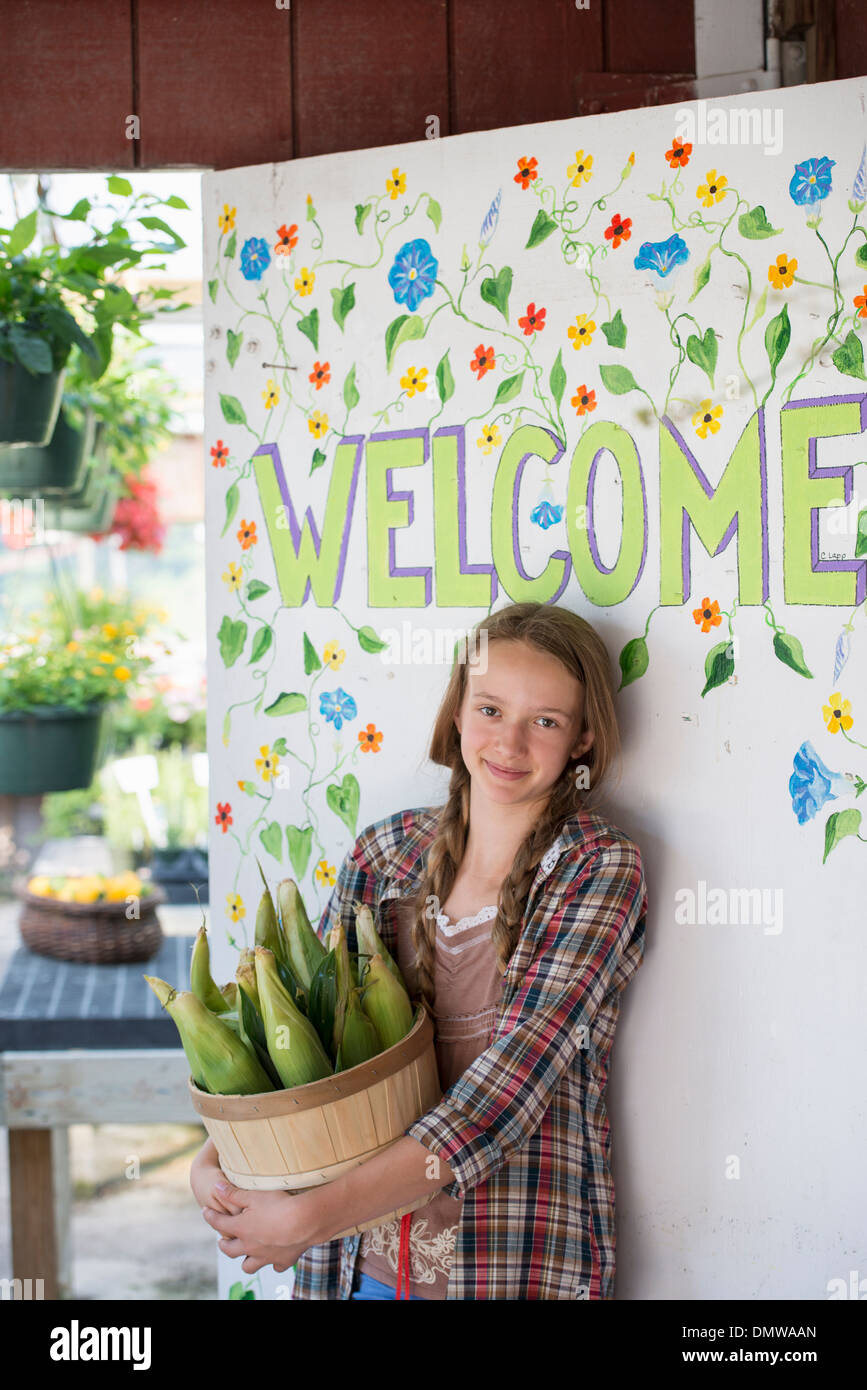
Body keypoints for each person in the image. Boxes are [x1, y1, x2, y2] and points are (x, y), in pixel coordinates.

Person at [192, 599, 648, 1299]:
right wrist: (219, 1155)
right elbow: (303, 1043)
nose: (509, 743)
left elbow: (508, 1091)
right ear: (457, 711)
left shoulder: (595, 868)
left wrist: (308, 1216)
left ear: (582, 739)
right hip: (353, 1265)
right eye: (490, 710)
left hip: (509, 1260)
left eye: (545, 722)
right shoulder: (384, 852)